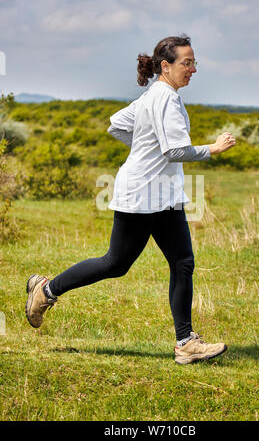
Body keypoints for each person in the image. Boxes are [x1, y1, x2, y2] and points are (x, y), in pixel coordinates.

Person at [25, 35, 236, 365]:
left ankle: (186, 343)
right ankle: (46, 290)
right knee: (115, 263)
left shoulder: (155, 95)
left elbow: (116, 126)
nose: (193, 69)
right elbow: (173, 150)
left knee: (183, 263)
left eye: (195, 62)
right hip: (141, 196)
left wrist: (143, 148)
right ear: (165, 67)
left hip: (164, 198)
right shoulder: (164, 99)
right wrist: (213, 148)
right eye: (187, 62)